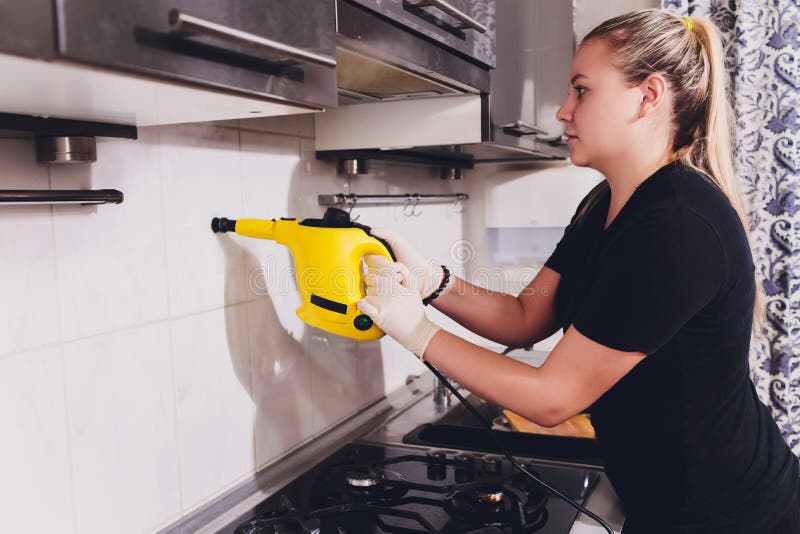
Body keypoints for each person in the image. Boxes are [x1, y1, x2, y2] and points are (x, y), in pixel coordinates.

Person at [355, 9, 800, 534]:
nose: (563, 111)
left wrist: (415, 330)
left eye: (582, 90)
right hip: (667, 497)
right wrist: (434, 282)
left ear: (649, 95)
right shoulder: (606, 204)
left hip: (728, 515)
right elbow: (527, 313)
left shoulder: (677, 226)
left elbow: (552, 399)